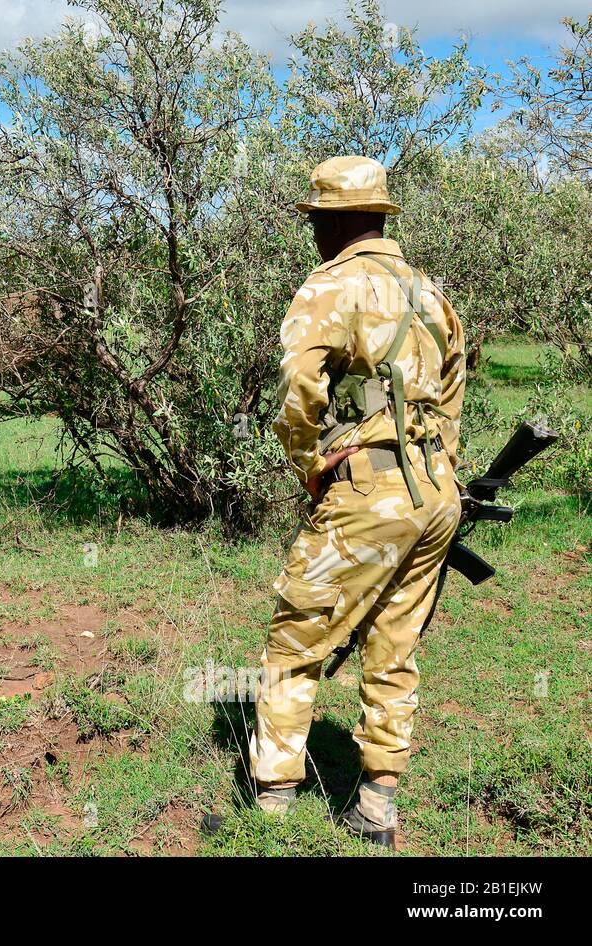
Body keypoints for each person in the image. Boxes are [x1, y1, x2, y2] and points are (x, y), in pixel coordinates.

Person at [249, 155, 466, 846]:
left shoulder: (331, 285)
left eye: (318, 222)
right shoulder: (430, 293)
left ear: (336, 221)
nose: (314, 236)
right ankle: (377, 802)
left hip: (369, 491)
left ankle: (275, 803)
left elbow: (297, 387)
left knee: (297, 632)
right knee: (395, 644)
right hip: (436, 492)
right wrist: (440, 475)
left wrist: (312, 461)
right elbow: (455, 389)